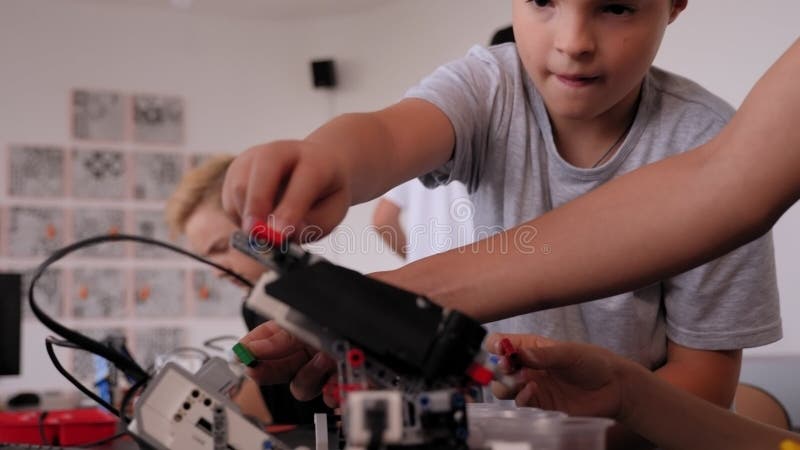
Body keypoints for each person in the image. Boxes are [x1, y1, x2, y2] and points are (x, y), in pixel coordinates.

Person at [224, 2, 782, 447]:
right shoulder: (493, 86)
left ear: (675, 5)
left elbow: (705, 384)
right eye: (543, 0)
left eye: (615, 7)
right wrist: (328, 160)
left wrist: (583, 436)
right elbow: (391, 134)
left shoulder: (708, 137)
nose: (573, 41)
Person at [164, 155, 334, 425]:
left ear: (264, 224)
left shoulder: (329, 295)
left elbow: (254, 409)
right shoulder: (254, 305)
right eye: (209, 258)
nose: (218, 271)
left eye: (221, 248)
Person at [373, 179, 474, 262]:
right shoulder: (483, 155)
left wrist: (416, 257)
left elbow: (383, 220)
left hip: (423, 272)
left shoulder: (412, 159)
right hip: (474, 269)